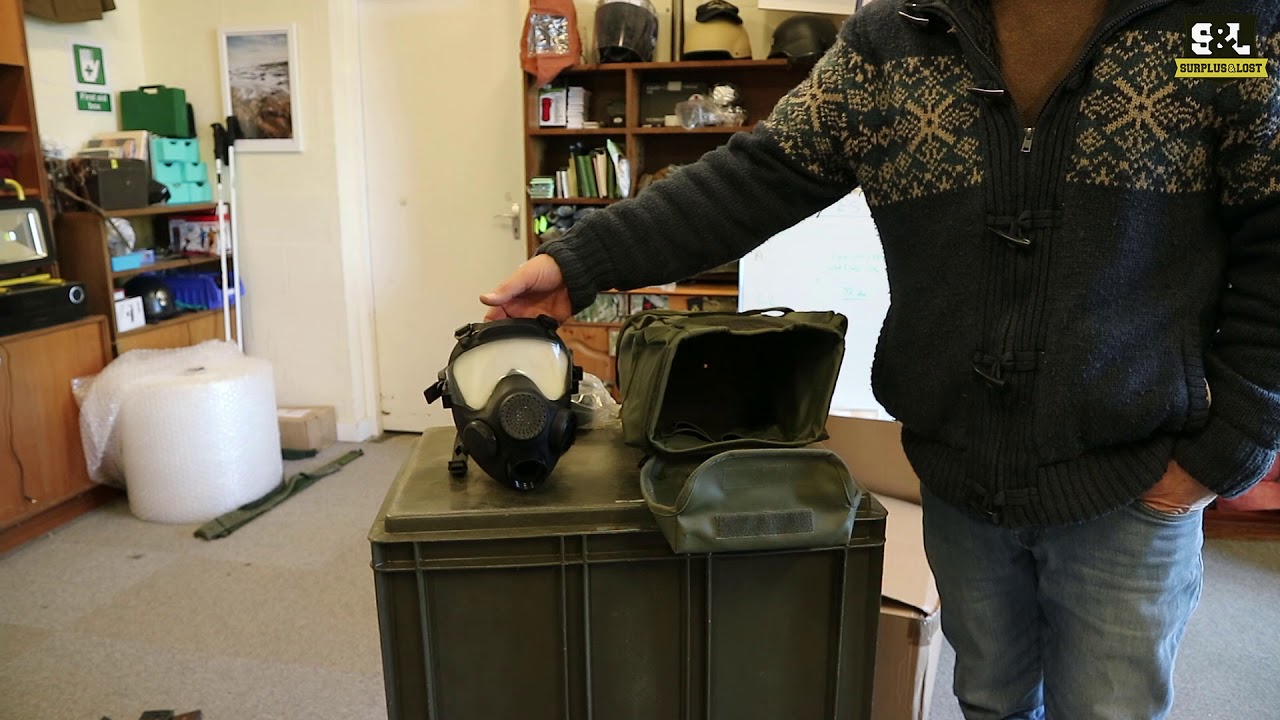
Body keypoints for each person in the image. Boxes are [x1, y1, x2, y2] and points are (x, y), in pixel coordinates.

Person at [482, 1, 1279, 718]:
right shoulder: (895, 34)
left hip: (1137, 483)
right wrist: (579, 261)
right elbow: (756, 175)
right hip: (960, 476)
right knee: (991, 700)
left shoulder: (1226, 24)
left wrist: (1230, 445)